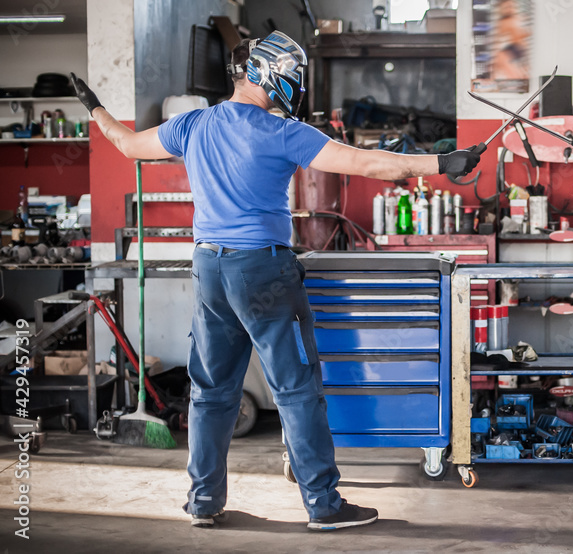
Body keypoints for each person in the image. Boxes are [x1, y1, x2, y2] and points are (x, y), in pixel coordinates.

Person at [71, 31, 480, 531]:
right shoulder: (283, 132)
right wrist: (442, 163)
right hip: (262, 270)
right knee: (296, 390)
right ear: (271, 75)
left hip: (209, 269)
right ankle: (323, 506)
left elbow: (127, 145)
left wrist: (94, 107)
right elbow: (369, 163)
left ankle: (203, 502)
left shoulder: (193, 124)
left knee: (210, 392)